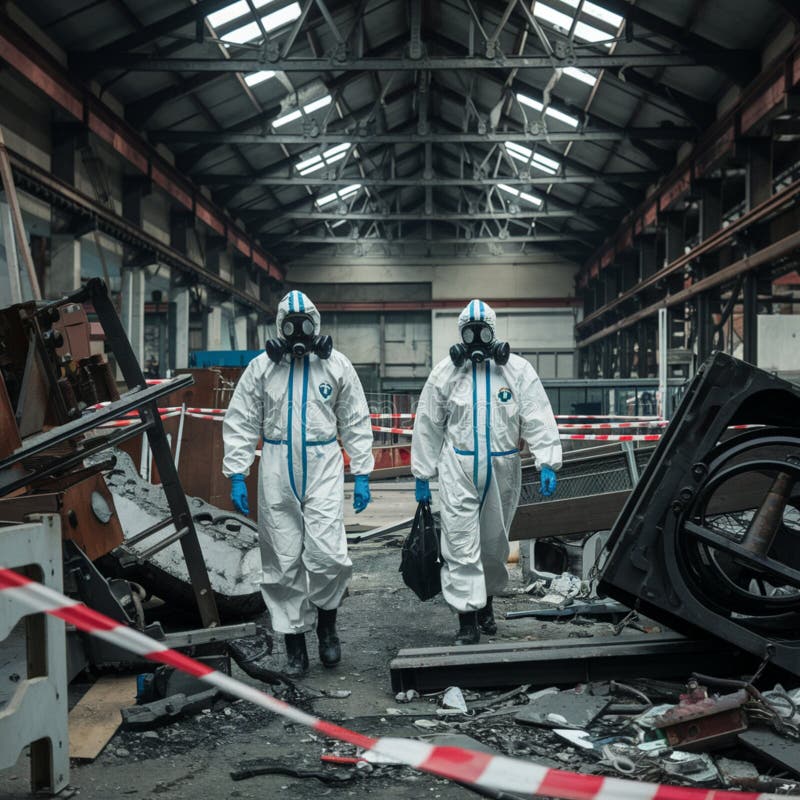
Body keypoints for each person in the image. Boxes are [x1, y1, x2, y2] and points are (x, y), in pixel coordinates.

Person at [222, 290, 374, 677]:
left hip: (323, 462)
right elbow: (241, 419)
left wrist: (361, 471)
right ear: (280, 328)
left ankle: (327, 626)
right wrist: (237, 471)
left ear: (316, 325)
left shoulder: (336, 366)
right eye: (290, 326)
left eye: (305, 325)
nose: (298, 333)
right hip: (275, 464)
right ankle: (295, 646)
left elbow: (355, 419)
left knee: (329, 554)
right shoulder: (262, 368)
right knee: (282, 560)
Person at [411, 300, 561, 645]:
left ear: (493, 331)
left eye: (483, 332)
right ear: (461, 334)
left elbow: (537, 414)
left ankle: (486, 604)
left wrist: (548, 460)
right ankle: (467, 620)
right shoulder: (446, 373)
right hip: (458, 468)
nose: (477, 339)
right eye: (469, 332)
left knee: (494, 545)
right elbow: (428, 423)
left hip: (503, 467)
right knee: (460, 544)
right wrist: (422, 473)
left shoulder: (517, 371)